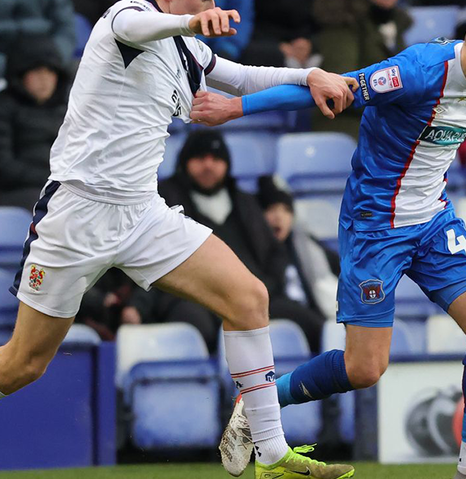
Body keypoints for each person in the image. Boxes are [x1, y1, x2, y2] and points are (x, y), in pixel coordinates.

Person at [0, 0, 358, 478]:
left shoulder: (189, 49)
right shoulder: (128, 16)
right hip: (78, 212)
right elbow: (135, 29)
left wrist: (308, 77)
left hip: (143, 212)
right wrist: (193, 18)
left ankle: (271, 454)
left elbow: (242, 75)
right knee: (24, 363)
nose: (214, 4)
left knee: (249, 298)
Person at [192, 0, 466, 479]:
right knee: (365, 369)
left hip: (435, 221)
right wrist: (235, 107)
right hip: (376, 225)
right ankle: (257, 405)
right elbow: (334, 89)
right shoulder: (417, 70)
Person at [136, 130, 329, 353]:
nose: (208, 165)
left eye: (216, 159)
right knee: (194, 328)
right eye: (199, 158)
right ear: (184, 162)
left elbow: (274, 253)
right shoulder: (165, 199)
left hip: (251, 296)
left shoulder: (244, 201)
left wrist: (268, 286)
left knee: (313, 325)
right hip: (191, 296)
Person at [312, 0, 412, 136]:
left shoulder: (398, 24)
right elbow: (340, 82)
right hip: (343, 121)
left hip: (382, 118)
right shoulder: (344, 21)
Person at [0, 37, 69, 209]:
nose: (44, 79)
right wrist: (49, 179)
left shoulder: (66, 110)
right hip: (10, 194)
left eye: (50, 71)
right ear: (21, 73)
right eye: (37, 71)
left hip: (58, 189)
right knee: (50, 207)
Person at [257, 177, 340, 323]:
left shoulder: (304, 244)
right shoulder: (257, 251)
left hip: (315, 318)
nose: (279, 217)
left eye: (286, 210)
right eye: (272, 209)